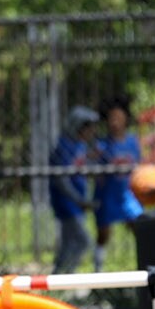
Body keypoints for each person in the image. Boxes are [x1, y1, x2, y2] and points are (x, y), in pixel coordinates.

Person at [91, 101, 145, 267]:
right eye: (111, 118)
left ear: (125, 120)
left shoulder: (132, 142)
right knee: (103, 234)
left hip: (127, 195)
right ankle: (97, 272)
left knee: (140, 229)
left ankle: (143, 267)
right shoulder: (101, 145)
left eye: (118, 118)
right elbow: (92, 169)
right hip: (107, 196)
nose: (114, 122)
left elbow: (140, 167)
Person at [48, 105, 100, 273]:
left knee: (68, 242)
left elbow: (80, 166)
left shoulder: (79, 145)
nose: (91, 133)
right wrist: (79, 200)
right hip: (67, 202)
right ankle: (66, 276)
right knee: (82, 241)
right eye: (88, 128)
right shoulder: (63, 146)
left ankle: (57, 276)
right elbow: (61, 180)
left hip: (76, 202)